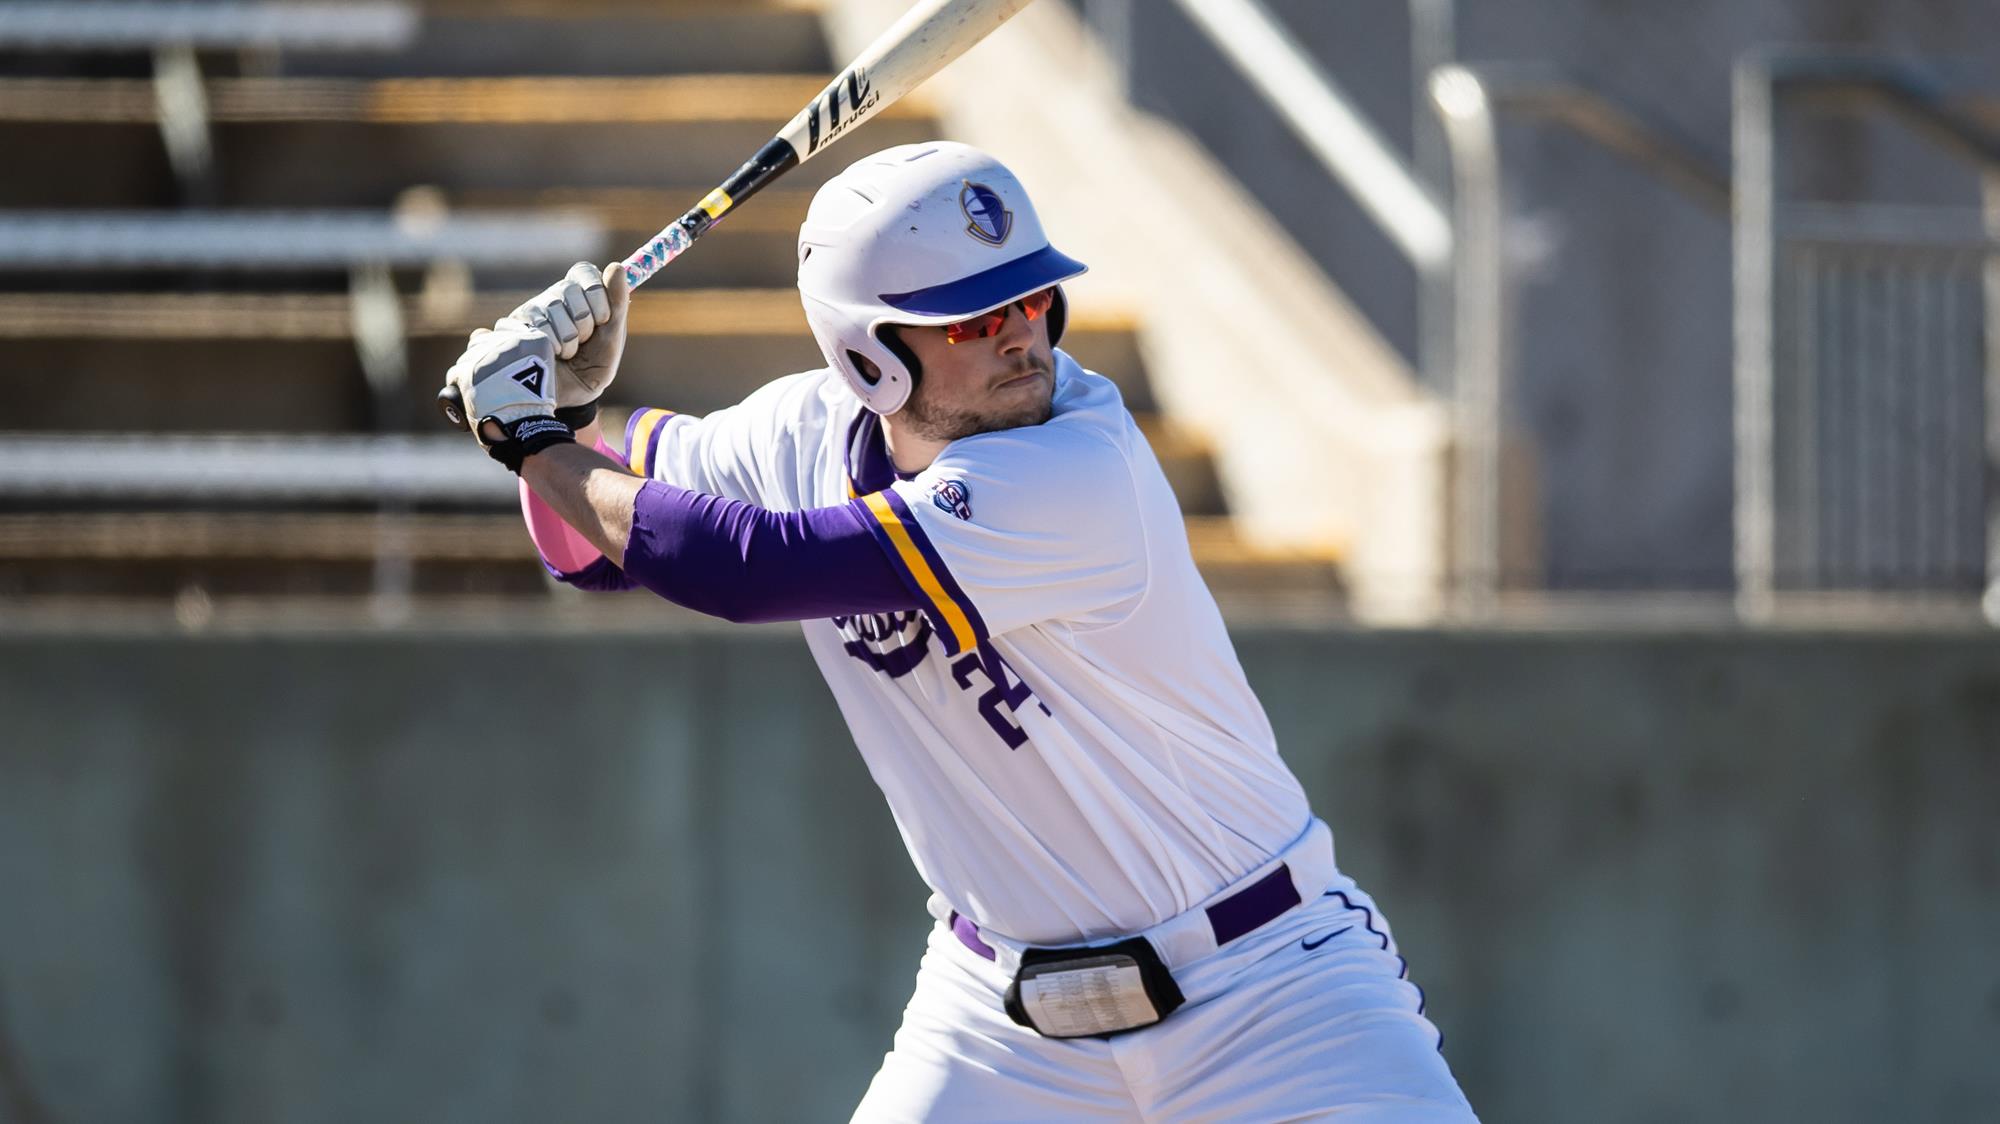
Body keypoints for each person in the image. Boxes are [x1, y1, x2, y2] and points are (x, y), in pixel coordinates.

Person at [440, 141, 1477, 1122]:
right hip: (1003, 1021)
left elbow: (744, 568)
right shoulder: (795, 433)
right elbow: (591, 546)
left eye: (1026, 296)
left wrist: (528, 436)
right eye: (966, 317)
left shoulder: (1078, 467)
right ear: (867, 352)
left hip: (1266, 989)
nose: (1017, 332)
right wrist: (567, 417)